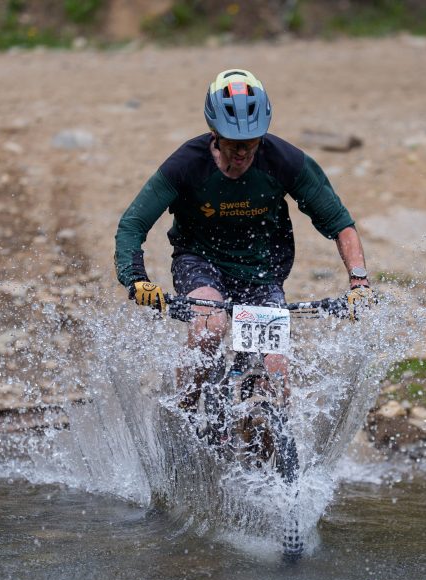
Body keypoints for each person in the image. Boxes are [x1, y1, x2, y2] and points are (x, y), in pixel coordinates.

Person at [114, 68, 373, 411]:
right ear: (214, 133)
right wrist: (137, 280)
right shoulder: (185, 165)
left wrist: (359, 281)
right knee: (210, 329)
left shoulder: (285, 161)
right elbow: (132, 224)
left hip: (262, 271)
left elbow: (341, 224)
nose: (243, 153)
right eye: (234, 144)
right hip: (200, 261)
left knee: (276, 375)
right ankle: (184, 415)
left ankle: (269, 438)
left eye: (251, 143)